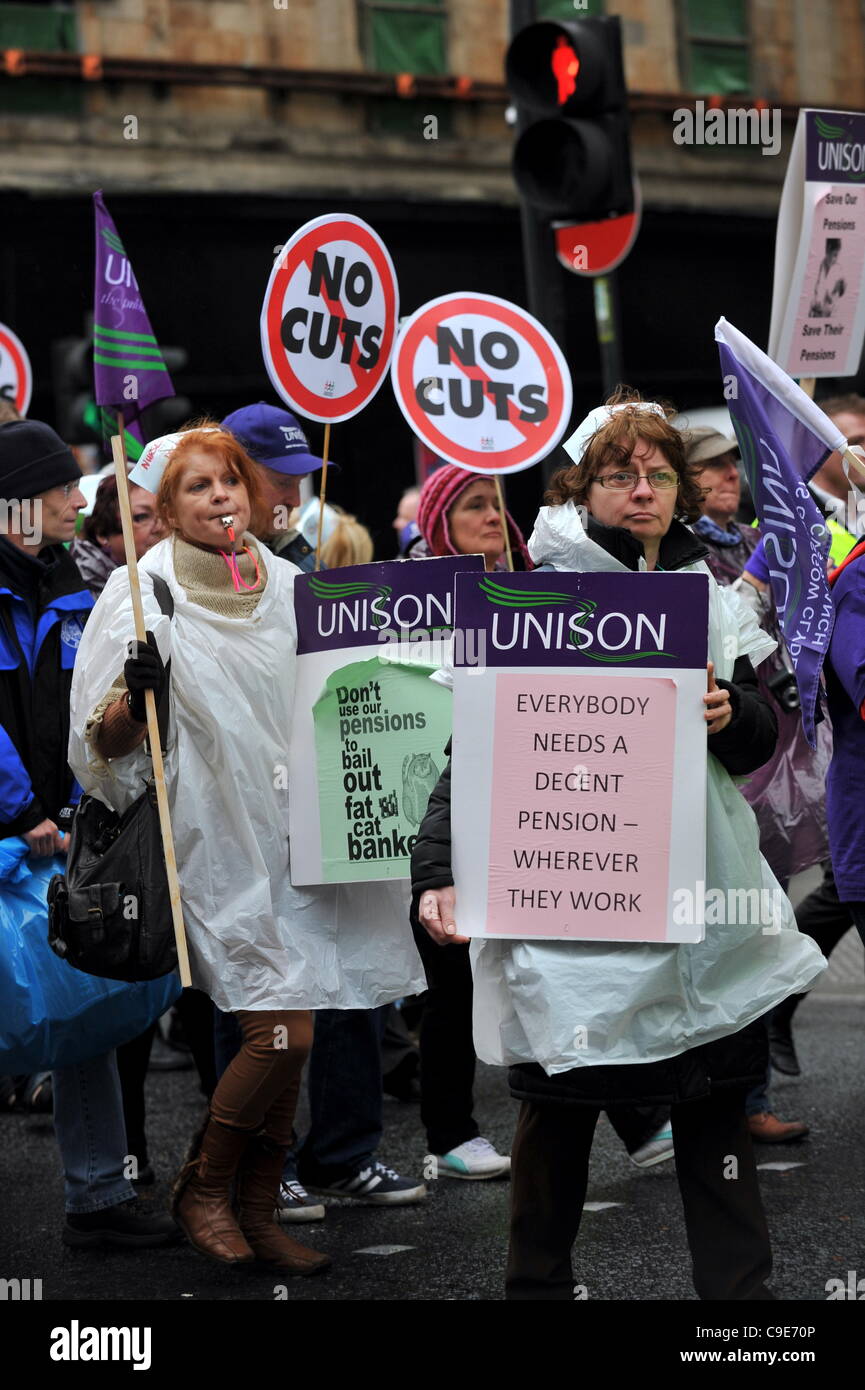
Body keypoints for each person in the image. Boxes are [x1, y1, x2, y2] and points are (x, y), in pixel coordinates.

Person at [412, 393, 826, 1299]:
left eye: (657, 474)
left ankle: (740, 1317)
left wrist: (731, 714)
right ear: (582, 488)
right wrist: (437, 871)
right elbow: (471, 749)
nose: (641, 490)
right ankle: (536, 1289)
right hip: (568, 896)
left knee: (712, 1103)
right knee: (559, 1110)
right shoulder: (531, 599)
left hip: (698, 898)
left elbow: (764, 736)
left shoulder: (715, 600)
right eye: (618, 474)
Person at [69, 423, 427, 1273]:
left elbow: (351, 691)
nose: (220, 496)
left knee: (295, 1018)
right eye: (197, 487)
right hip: (208, 836)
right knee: (280, 1033)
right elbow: (104, 745)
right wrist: (134, 697)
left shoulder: (292, 584)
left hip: (297, 831)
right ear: (161, 506)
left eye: (229, 480)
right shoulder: (140, 590)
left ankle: (256, 1209)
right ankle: (206, 1188)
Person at [218, 402, 426, 1222]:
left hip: (332, 794)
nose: (293, 491)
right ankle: (254, 1167)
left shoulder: (310, 565)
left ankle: (343, 1153)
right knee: (254, 989)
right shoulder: (205, 570)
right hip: (244, 810)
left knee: (350, 972)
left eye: (304, 477)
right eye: (279, 475)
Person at [0, 419, 176, 1249]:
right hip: (18, 837)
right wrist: (20, 814)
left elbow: (89, 717)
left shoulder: (80, 589)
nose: (79, 499)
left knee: (79, 1015)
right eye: (62, 486)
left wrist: (85, 798)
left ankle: (99, 1197)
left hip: (65, 838)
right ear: (16, 504)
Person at [685, 426, 813, 1141]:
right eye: (710, 467)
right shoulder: (697, 553)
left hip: (766, 735)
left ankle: (747, 1093)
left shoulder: (754, 536)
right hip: (725, 758)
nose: (728, 474)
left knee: (763, 920)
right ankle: (719, 1100)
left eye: (732, 462)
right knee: (734, 921)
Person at [406, 465, 528, 1180]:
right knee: (451, 978)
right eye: (472, 505)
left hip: (520, 804)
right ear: (438, 522)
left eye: (496, 504)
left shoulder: (532, 587)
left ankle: (633, 1117)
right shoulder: (407, 603)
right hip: (434, 814)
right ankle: (448, 1133)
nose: (491, 516)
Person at [70, 473, 165, 598]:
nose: (160, 527)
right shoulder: (78, 591)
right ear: (103, 533)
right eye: (141, 516)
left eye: (165, 514)